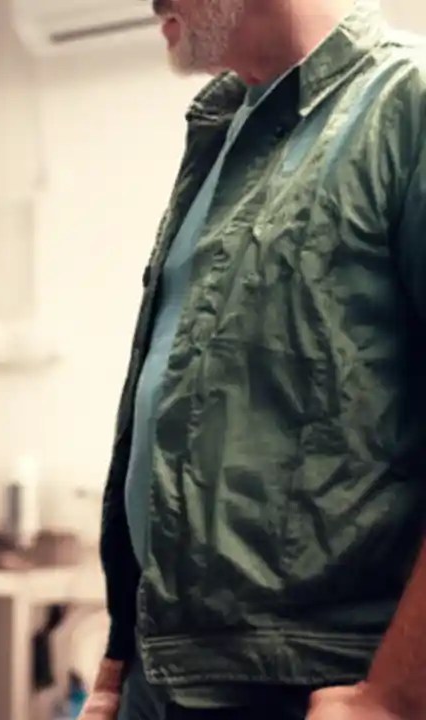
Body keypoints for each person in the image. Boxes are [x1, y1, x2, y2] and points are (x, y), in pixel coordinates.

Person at [80, 0, 426, 719]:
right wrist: (121, 657)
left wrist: (395, 695)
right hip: (164, 673)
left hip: (318, 685)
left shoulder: (407, 101)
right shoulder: (224, 127)